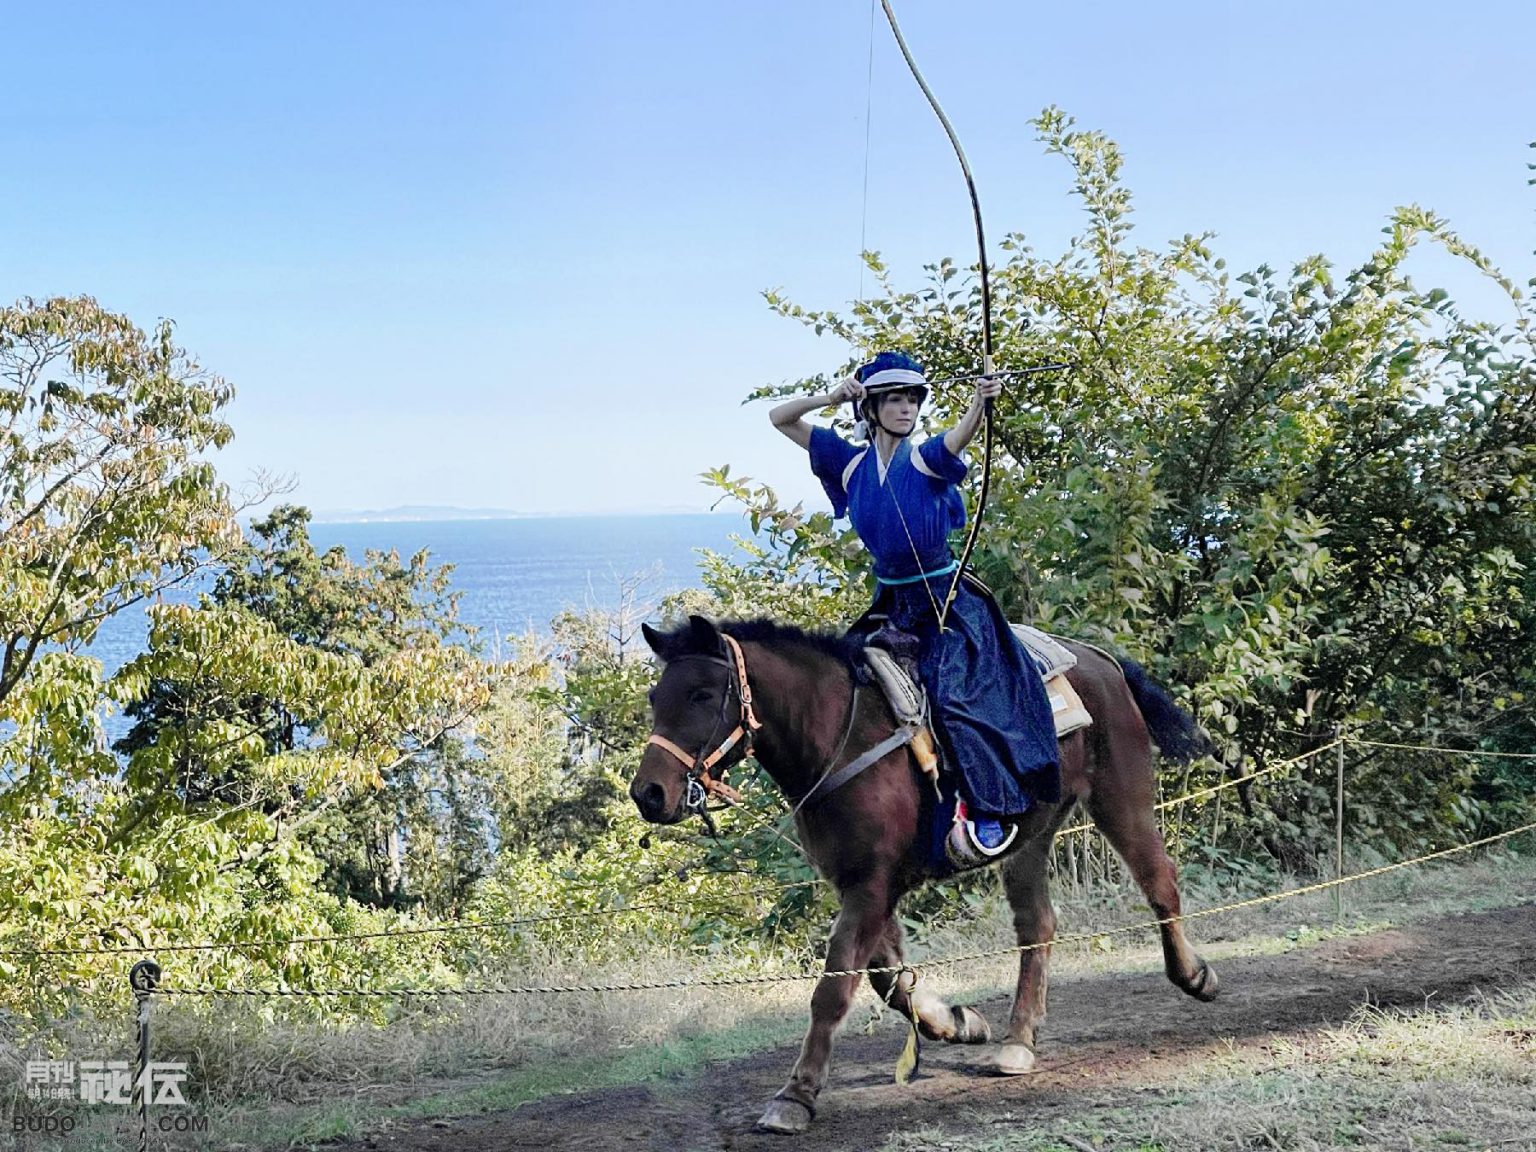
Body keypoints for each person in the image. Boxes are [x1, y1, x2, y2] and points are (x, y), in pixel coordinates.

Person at [769, 351, 1060, 857]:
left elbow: (960, 437)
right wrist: (833, 396)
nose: (906, 410)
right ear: (871, 408)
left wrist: (978, 403)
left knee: (955, 696)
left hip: (948, 603)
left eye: (912, 400)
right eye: (894, 400)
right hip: (891, 602)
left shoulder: (925, 457)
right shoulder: (849, 462)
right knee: (844, 688)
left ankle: (988, 811)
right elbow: (780, 418)